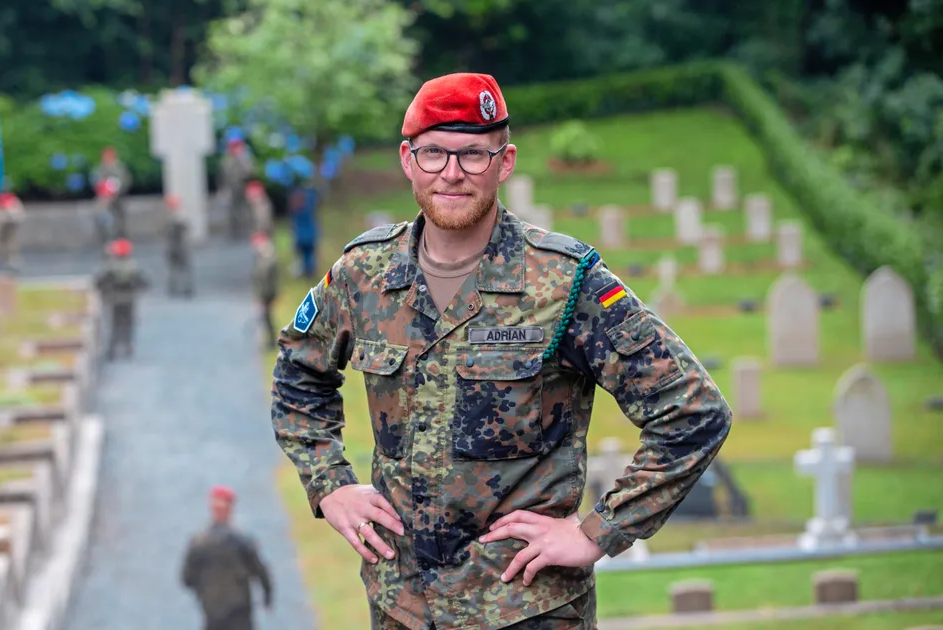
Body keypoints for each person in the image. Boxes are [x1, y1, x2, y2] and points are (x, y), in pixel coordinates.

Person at [269, 72, 733, 630]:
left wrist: (598, 531)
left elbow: (693, 412)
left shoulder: (564, 282)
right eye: (434, 152)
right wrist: (330, 484)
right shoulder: (363, 273)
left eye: (473, 154)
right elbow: (298, 373)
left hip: (523, 607)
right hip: (402, 606)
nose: (452, 173)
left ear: (504, 162)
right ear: (408, 160)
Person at [181, 485, 274, 630]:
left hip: (213, 609)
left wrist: (203, 589)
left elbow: (187, 579)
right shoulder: (242, 542)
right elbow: (261, 572)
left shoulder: (199, 543)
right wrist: (267, 595)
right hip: (239, 609)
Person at [93, 238, 150, 360]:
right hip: (129, 300)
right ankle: (127, 346)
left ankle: (113, 348)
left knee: (114, 324)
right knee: (128, 323)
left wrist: (104, 291)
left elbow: (99, 283)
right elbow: (143, 283)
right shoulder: (132, 267)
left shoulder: (110, 267)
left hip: (114, 300)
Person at [92, 146, 133, 240]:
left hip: (119, 198)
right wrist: (103, 190)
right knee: (102, 216)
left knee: (120, 220)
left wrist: (116, 189)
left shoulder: (120, 167)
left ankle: (121, 239)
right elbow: (96, 182)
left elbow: (126, 180)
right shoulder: (99, 168)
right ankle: (106, 238)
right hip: (104, 199)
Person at [217, 138, 254, 238]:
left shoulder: (245, 159)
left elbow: (250, 173)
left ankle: (246, 230)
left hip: (243, 188)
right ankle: (235, 232)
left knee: (245, 210)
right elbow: (222, 176)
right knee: (233, 211)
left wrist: (241, 159)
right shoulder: (226, 161)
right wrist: (221, 190)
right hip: (231, 189)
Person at [251, 231, 279, 350]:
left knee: (267, 317)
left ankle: (272, 340)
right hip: (265, 292)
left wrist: (260, 297)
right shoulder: (263, 257)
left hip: (267, 293)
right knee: (266, 317)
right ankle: (271, 340)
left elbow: (265, 277)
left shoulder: (267, 256)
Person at [164, 194, 195, 299]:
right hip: (177, 246)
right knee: (177, 268)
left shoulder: (178, 218)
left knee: (179, 267)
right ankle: (180, 287)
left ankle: (182, 287)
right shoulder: (178, 217)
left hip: (179, 246)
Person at [0, 191, 24, 272]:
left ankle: (13, 259)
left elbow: (18, 214)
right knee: (4, 243)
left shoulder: (12, 200)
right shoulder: (3, 199)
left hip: (12, 224)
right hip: (6, 224)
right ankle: (7, 259)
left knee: (11, 242)